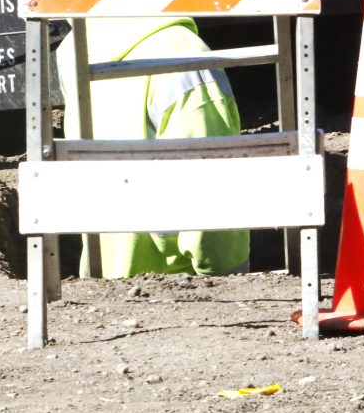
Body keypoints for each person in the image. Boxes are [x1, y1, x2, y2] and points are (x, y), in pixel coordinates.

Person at [56, 16, 249, 276]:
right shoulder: (182, 52)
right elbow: (207, 186)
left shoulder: (75, 46)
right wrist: (227, 274)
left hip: (108, 276)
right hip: (182, 286)